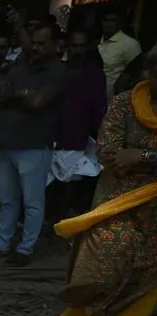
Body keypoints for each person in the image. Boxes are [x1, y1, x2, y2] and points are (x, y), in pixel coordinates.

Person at [55, 45, 157, 316]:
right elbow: (108, 150)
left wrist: (142, 157)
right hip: (115, 203)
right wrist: (129, 159)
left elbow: (129, 157)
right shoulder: (126, 103)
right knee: (99, 269)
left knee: (147, 283)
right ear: (149, 73)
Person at [0, 19, 67, 265]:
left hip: (35, 143)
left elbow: (37, 102)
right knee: (7, 199)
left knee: (32, 202)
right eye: (34, 42)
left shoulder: (58, 71)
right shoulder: (21, 65)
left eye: (42, 43)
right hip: (8, 140)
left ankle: (25, 248)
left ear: (56, 45)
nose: (35, 47)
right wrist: (22, 96)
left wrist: (14, 95)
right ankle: (2, 243)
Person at [48, 29, 108, 218]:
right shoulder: (56, 70)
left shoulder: (95, 75)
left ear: (88, 48)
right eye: (74, 45)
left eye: (82, 46)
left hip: (78, 138)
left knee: (71, 186)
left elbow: (100, 110)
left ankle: (61, 224)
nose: (78, 50)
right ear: (67, 46)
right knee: (47, 187)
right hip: (49, 137)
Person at [98, 10, 142, 96]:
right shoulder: (97, 42)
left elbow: (137, 71)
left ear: (120, 23)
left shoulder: (130, 44)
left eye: (112, 21)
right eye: (105, 20)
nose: (108, 24)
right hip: (93, 93)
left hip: (113, 96)